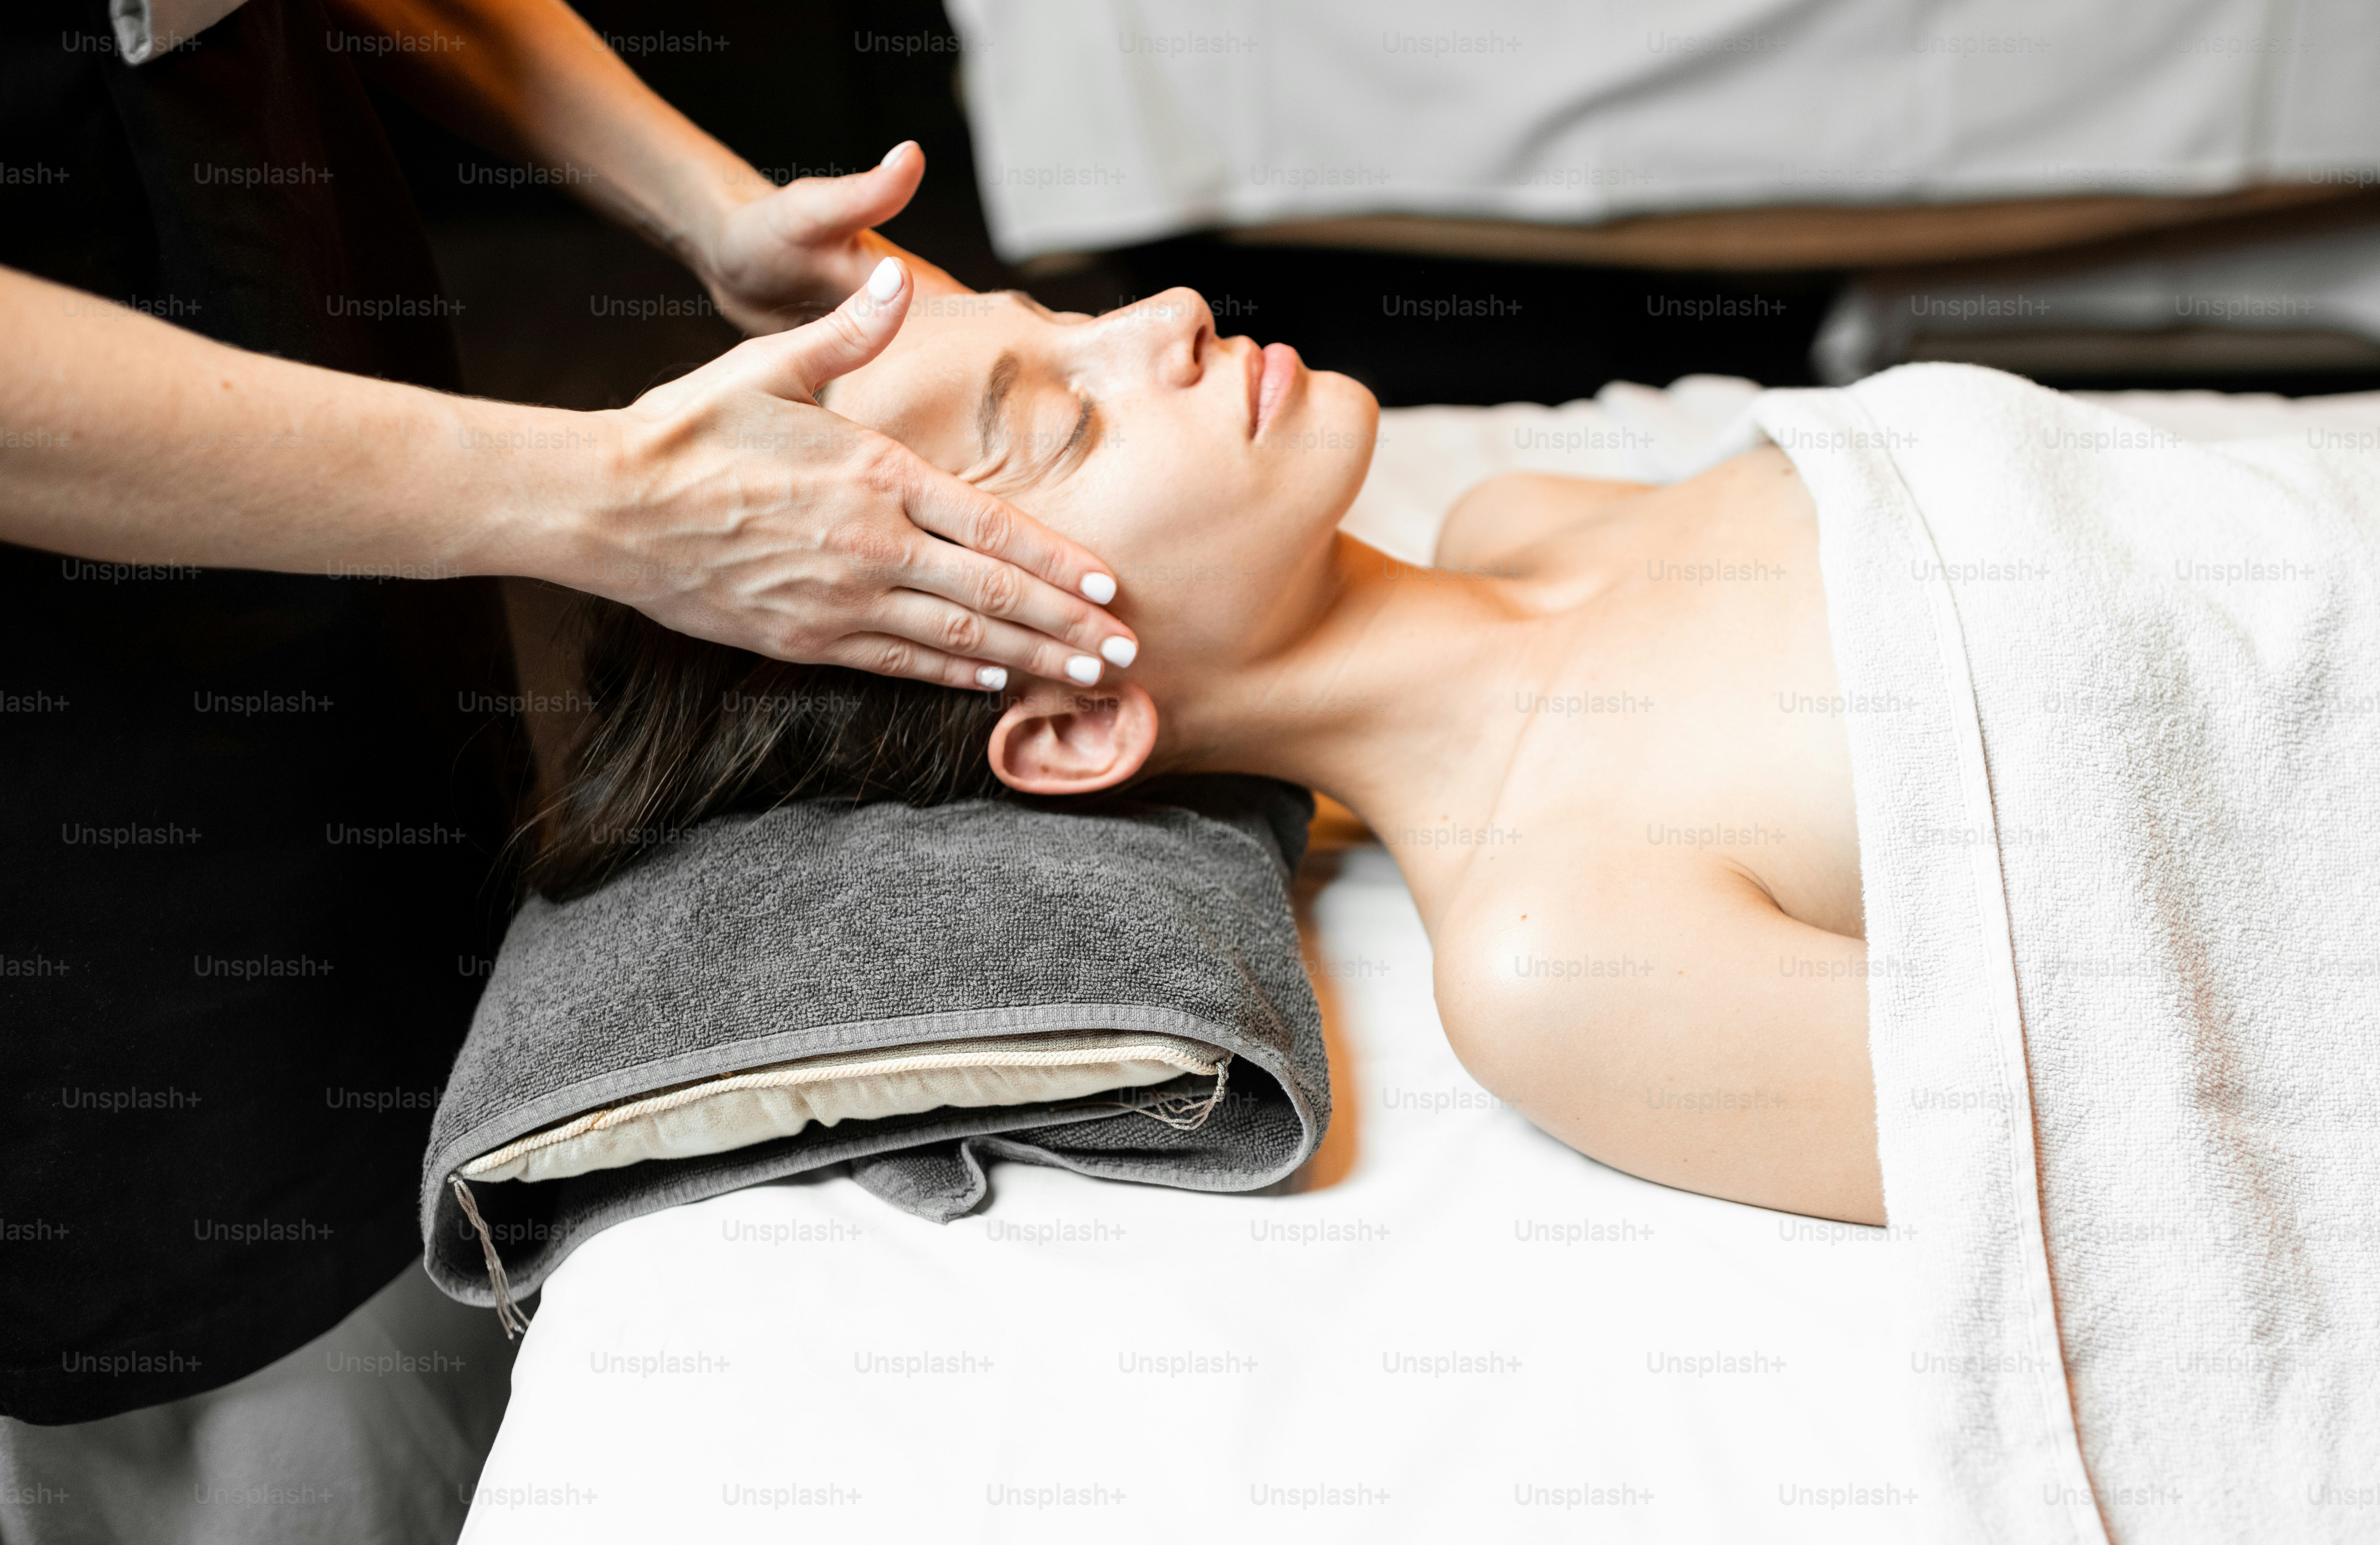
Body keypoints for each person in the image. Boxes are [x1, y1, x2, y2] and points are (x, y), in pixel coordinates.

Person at [0, 0, 1130, 1545]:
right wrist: (600, 501)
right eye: (1049, 405)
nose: (1170, 317)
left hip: (342, 539)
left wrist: (703, 201)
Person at [530, 285, 1886, 1230]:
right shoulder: (1566, 965)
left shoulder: (1523, 509)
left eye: (1065, 321)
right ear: (1080, 724)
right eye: (1065, 424)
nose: (1169, 315)